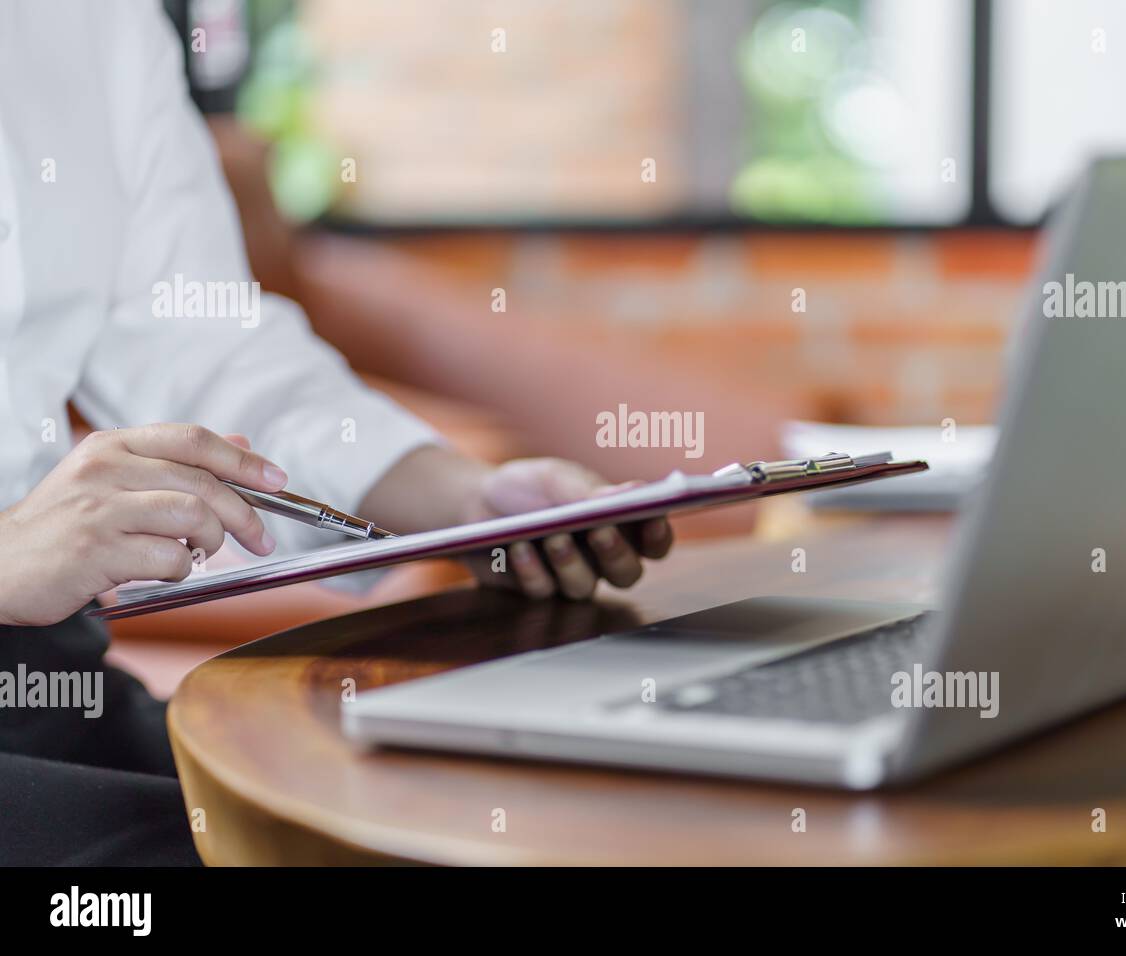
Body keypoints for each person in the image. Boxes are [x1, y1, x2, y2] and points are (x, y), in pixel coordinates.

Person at [0, 0, 670, 865]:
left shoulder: (97, 20)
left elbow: (203, 341)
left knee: (428, 823)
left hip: (49, 683)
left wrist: (468, 500)